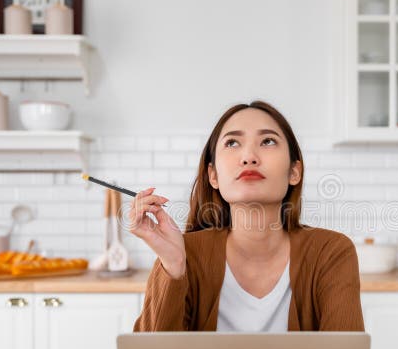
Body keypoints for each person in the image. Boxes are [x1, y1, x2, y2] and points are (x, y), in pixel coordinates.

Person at [127, 100, 363, 332]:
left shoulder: (331, 252)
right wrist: (173, 265)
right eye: (232, 143)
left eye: (268, 141)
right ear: (213, 176)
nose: (249, 157)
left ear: (294, 172)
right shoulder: (184, 255)